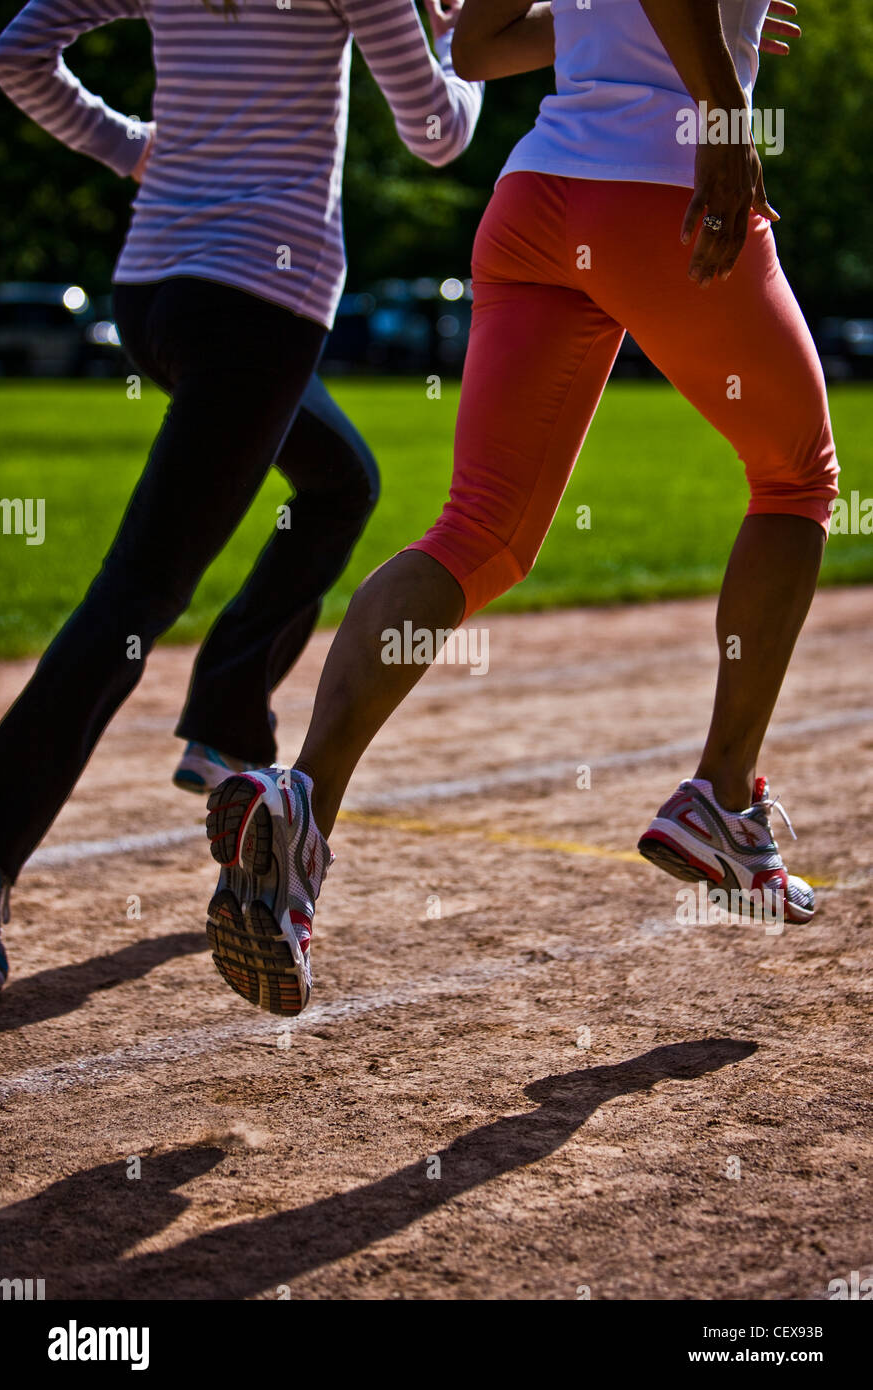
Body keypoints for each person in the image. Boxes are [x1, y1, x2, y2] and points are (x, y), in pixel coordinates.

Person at [198, 0, 839, 1017]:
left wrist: (639, 33)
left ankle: (300, 805)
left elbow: (482, 42)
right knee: (796, 477)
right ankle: (722, 793)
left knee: (477, 534)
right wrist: (723, 116)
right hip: (656, 185)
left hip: (539, 198)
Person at [0, 0, 483, 990]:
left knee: (340, 480)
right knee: (135, 596)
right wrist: (453, 40)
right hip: (260, 306)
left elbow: (18, 54)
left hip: (155, 294)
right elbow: (436, 134)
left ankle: (227, 719)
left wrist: (136, 151)